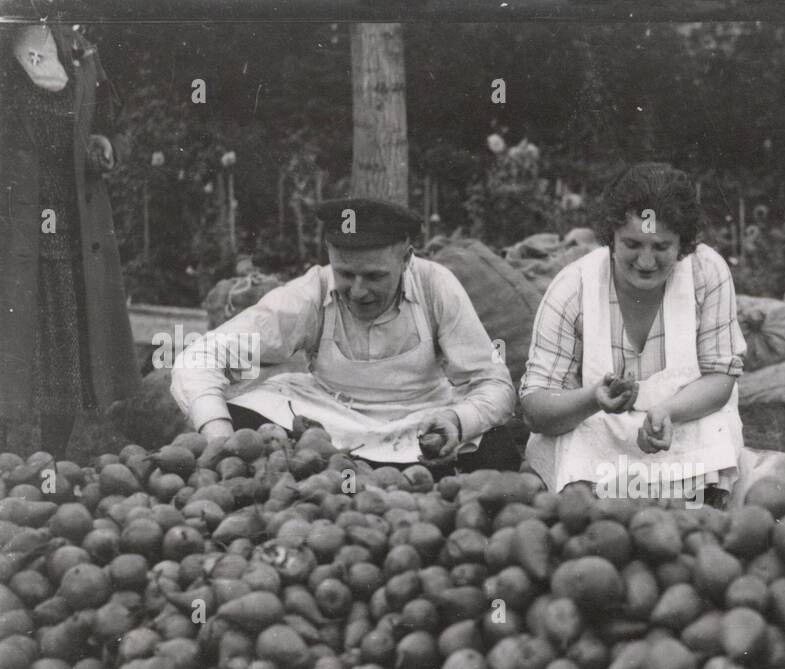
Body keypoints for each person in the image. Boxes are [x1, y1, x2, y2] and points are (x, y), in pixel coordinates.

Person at [169, 197, 519, 473]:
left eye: (374, 276)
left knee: (496, 449)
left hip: (421, 419)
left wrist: (457, 421)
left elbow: (495, 383)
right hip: (327, 420)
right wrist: (221, 438)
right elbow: (202, 356)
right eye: (346, 274)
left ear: (406, 258)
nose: (358, 291)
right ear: (330, 259)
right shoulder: (313, 290)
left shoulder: (436, 286)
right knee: (238, 414)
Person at [519, 163, 746, 506]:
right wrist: (593, 398)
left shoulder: (706, 271)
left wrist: (666, 411)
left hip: (680, 421)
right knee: (571, 454)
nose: (645, 261)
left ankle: (694, 501)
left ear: (683, 244)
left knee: (714, 425)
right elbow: (536, 408)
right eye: (632, 244)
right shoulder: (572, 287)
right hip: (598, 428)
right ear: (610, 235)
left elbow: (720, 378)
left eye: (661, 247)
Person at [0, 20, 140, 460]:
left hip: (68, 221)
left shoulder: (77, 51)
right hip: (8, 219)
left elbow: (117, 124)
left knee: (61, 341)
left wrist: (108, 145)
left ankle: (49, 463)